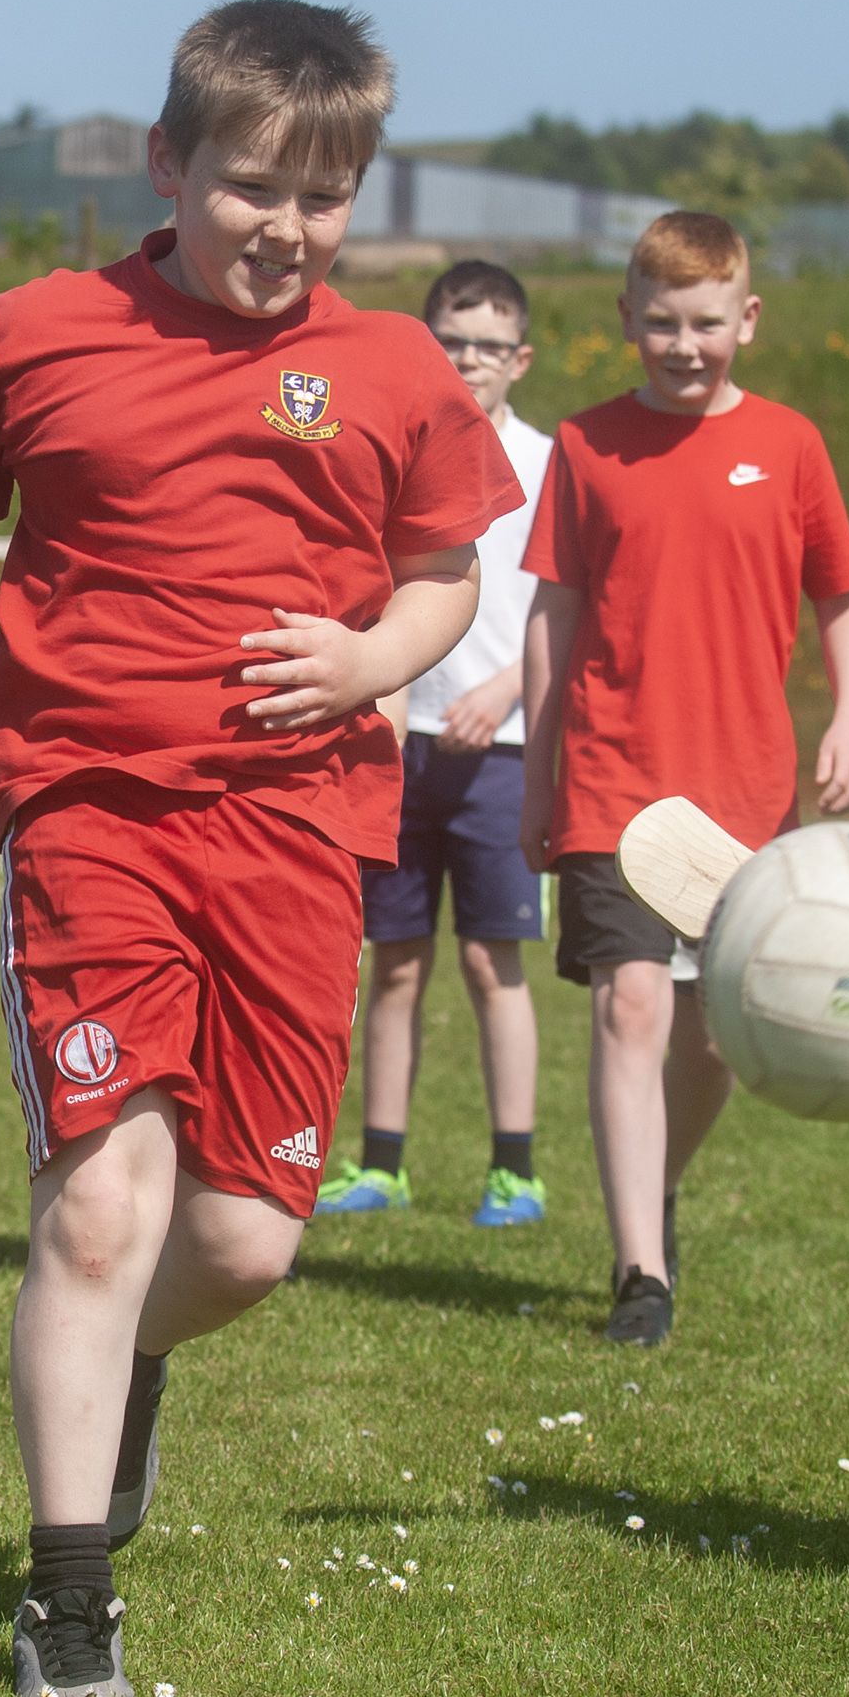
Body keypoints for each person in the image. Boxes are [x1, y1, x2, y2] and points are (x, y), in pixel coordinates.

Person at [0, 0, 520, 1697]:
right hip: (84, 805)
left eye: (325, 196)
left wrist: (373, 659)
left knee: (241, 1242)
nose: (286, 226)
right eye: (252, 186)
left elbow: (445, 568)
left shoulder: (396, 370)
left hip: (301, 826)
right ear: (168, 165)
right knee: (102, 1207)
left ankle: (134, 1364)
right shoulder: (37, 330)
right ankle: (66, 1592)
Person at [519, 212, 849, 1348]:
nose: (684, 344)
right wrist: (538, 775)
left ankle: (653, 1189)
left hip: (745, 792)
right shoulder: (586, 445)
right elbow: (552, 616)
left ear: (747, 320)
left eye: (707, 323)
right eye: (663, 322)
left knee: (715, 1039)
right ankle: (641, 1274)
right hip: (613, 780)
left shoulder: (791, 445)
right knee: (629, 1004)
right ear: (626, 318)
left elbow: (844, 599)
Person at [315, 260, 554, 1227]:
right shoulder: (396, 440)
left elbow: (569, 610)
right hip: (402, 744)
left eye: (489, 345)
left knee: (494, 964)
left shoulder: (549, 464)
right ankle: (382, 1162)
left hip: (505, 752)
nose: (470, 359)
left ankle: (515, 1169)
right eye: (452, 341)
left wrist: (505, 690)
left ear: (520, 358)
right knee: (397, 960)